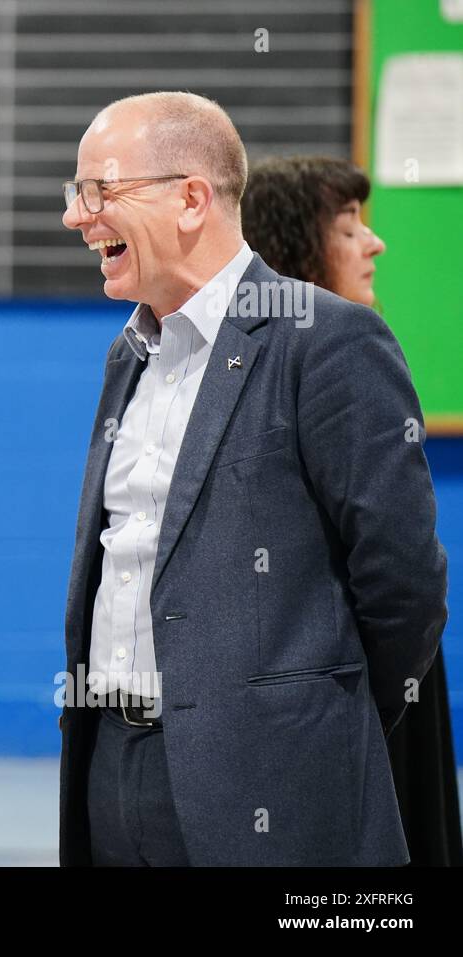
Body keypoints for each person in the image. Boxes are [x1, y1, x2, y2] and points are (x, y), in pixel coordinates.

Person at [57, 91, 448, 865]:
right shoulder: (127, 354)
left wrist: (307, 721)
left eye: (99, 190)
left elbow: (404, 585)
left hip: (274, 782)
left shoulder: (328, 340)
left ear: (192, 198)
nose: (77, 215)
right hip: (111, 768)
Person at [242, 155, 462, 867]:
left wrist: (362, 704)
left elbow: (405, 578)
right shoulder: (239, 373)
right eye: (347, 229)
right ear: (294, 247)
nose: (375, 243)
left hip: (368, 698)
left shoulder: (351, 350)